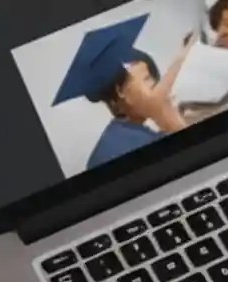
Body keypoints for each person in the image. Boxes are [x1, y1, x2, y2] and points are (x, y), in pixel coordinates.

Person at [53, 15, 194, 171]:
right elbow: (194, 157)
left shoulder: (120, 135)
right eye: (147, 79)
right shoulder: (133, 145)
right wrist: (162, 112)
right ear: (121, 91)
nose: (155, 85)